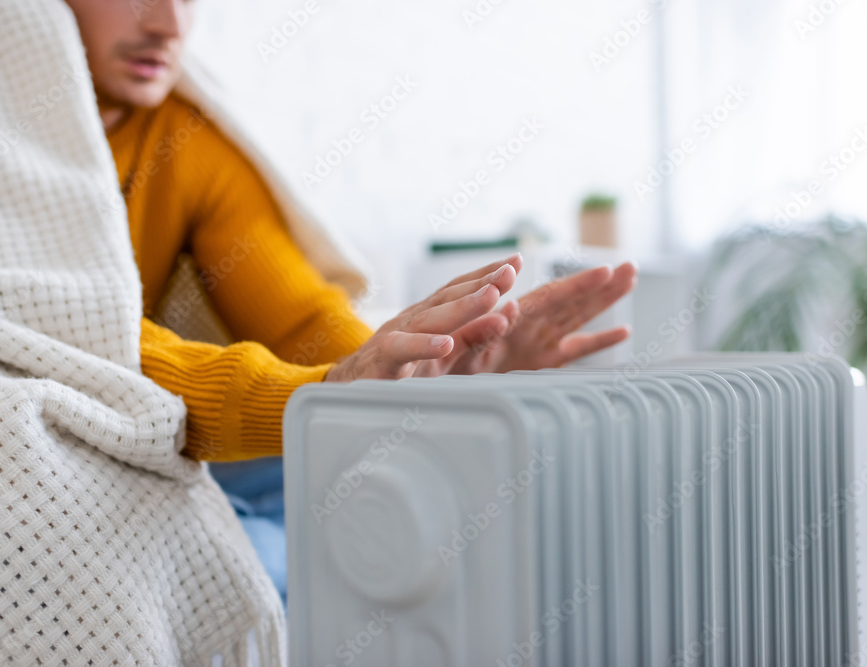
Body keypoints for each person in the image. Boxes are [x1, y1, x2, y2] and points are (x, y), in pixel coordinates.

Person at [63, 0, 636, 603]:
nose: (168, 25)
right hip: (56, 420)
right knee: (272, 542)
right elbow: (74, 338)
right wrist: (327, 390)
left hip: (163, 420)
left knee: (415, 473)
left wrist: (421, 374)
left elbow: (301, 318)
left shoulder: (179, 134)